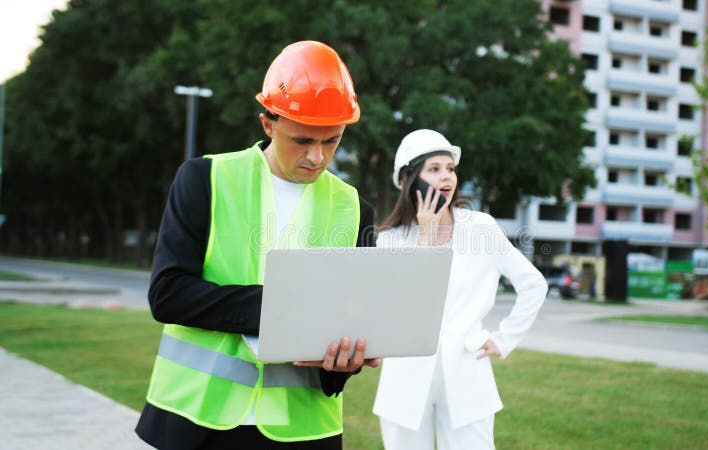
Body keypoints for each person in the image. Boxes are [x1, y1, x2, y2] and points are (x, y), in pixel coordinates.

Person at [135, 41, 379, 450]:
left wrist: (345, 363)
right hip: (197, 422)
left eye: (331, 141)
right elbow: (168, 295)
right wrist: (284, 309)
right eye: (302, 141)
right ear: (269, 124)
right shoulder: (205, 180)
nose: (317, 158)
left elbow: (349, 318)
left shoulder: (355, 208)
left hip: (302, 430)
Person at [372, 129, 548, 449]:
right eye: (434, 169)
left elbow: (533, 284)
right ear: (411, 179)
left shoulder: (481, 228)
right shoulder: (390, 239)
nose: (446, 177)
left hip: (468, 373)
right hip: (404, 380)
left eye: (450, 169)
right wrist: (425, 238)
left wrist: (505, 338)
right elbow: (403, 306)